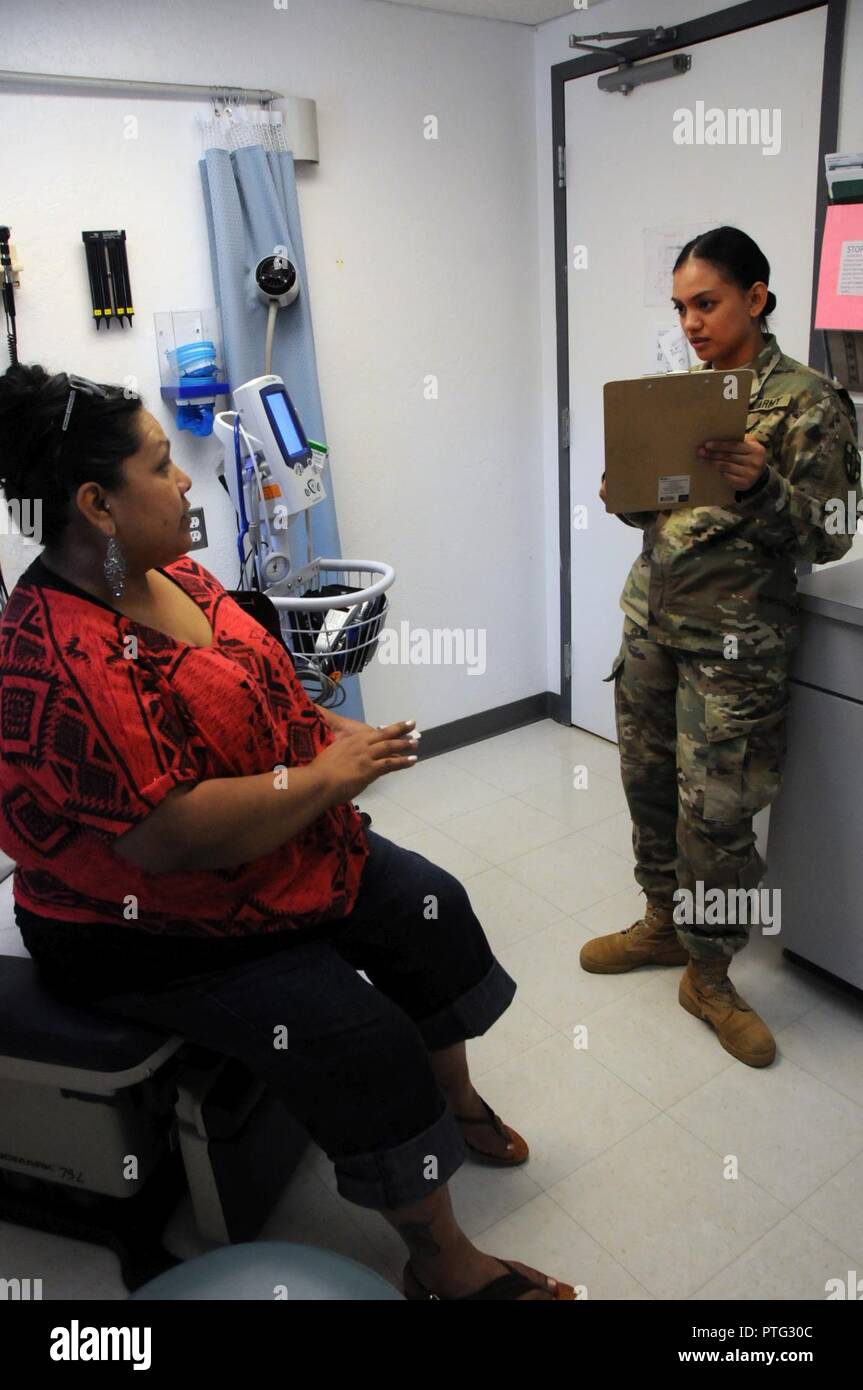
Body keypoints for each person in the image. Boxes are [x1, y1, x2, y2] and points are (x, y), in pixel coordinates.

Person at [0, 364, 576, 1300]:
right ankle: (441, 1261)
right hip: (141, 924)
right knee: (362, 1040)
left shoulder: (170, 571)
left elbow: (257, 687)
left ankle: (454, 1104)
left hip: (271, 844)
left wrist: (327, 735)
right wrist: (325, 779)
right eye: (161, 465)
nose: (183, 481)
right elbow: (171, 836)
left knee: (428, 907)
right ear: (97, 505)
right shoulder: (66, 654)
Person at [585, 226, 861, 1068]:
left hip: (735, 648)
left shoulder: (810, 402)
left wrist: (762, 484)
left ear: (755, 297)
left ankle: (708, 974)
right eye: (680, 307)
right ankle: (661, 924)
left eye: (705, 303)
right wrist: (625, 495)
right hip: (651, 623)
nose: (691, 323)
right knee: (647, 787)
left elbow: (831, 534)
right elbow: (662, 510)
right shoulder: (683, 396)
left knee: (717, 818)